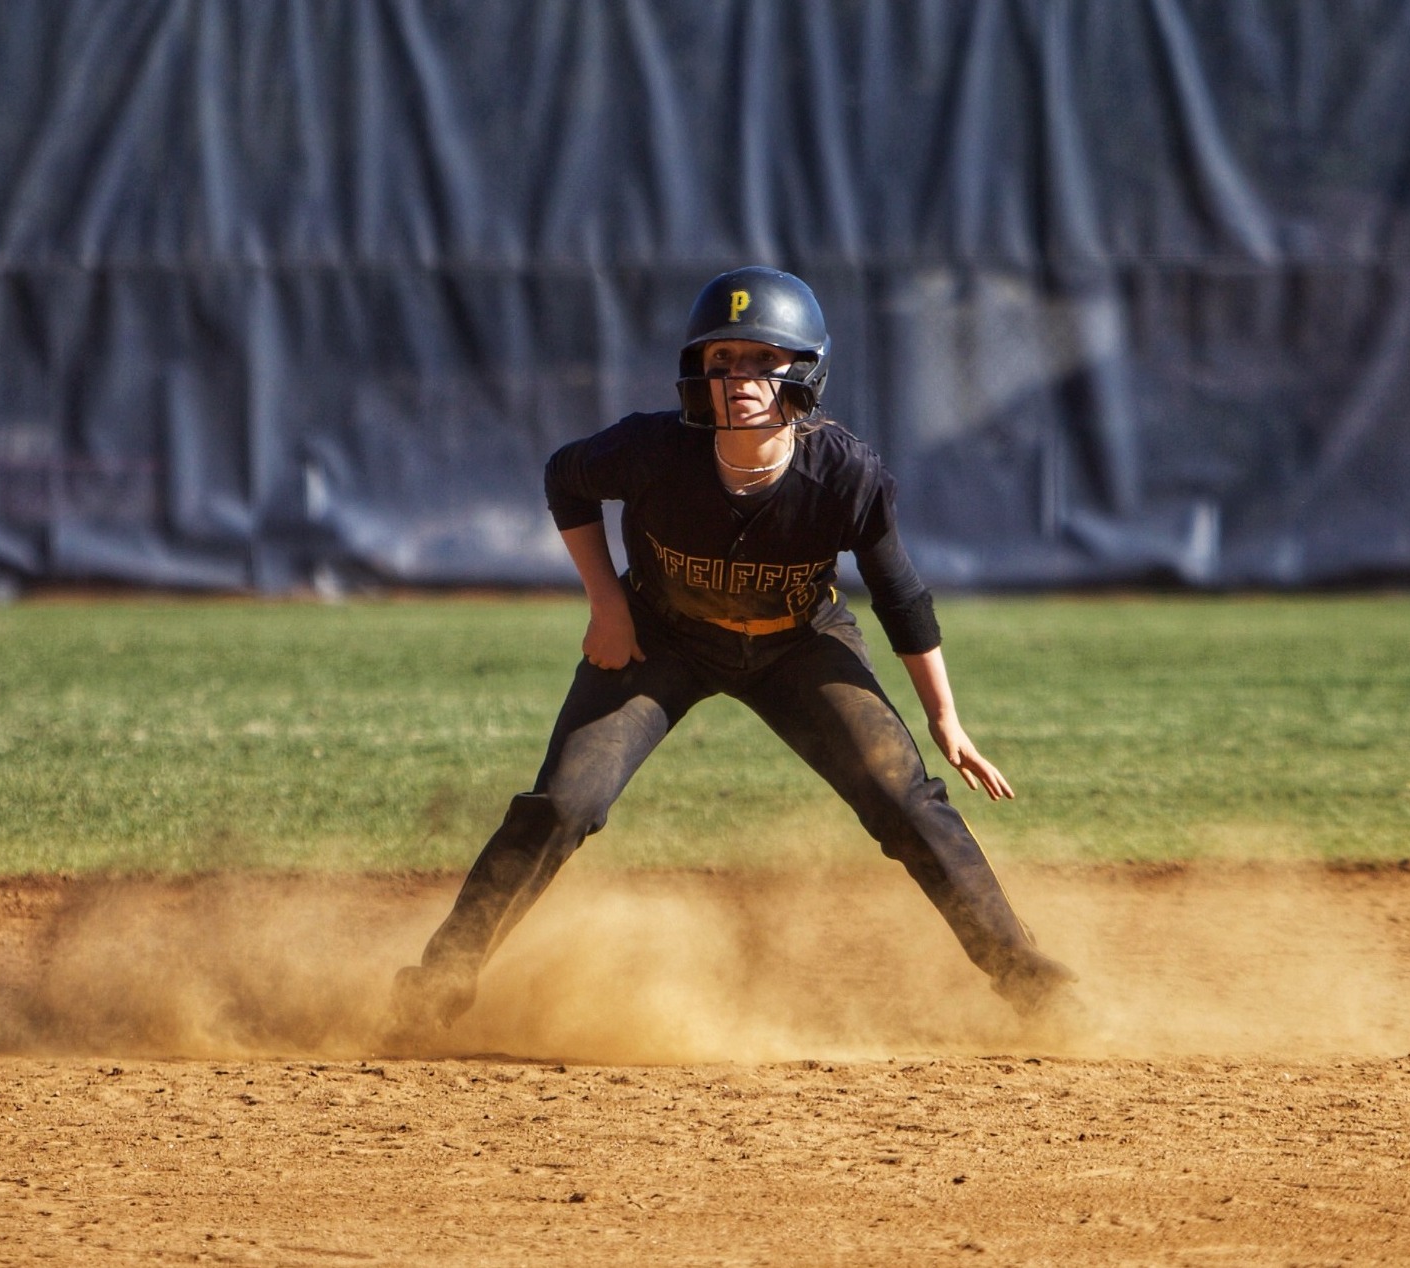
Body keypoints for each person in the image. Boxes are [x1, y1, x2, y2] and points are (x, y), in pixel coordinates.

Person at [390, 266, 1080, 1039]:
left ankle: (1036, 989)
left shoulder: (844, 475)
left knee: (903, 799)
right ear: (697, 373)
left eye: (763, 359)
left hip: (798, 643)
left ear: (803, 372)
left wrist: (945, 719)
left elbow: (900, 596)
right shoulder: (653, 449)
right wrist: (606, 604)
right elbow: (566, 480)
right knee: (566, 803)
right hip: (662, 637)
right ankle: (438, 982)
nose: (741, 378)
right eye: (723, 361)